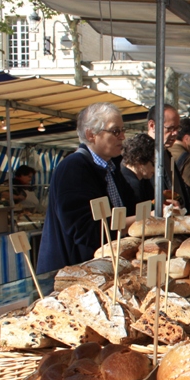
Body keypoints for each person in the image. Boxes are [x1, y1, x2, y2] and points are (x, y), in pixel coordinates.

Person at [37, 102, 128, 274]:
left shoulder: (112, 166)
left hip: (103, 268)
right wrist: (135, 222)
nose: (122, 136)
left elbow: (126, 205)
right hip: (73, 272)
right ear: (91, 134)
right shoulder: (73, 168)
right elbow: (84, 230)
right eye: (115, 131)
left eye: (123, 130)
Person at [119, 133, 156, 207]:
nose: (155, 169)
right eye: (154, 163)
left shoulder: (143, 179)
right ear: (139, 160)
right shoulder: (128, 185)